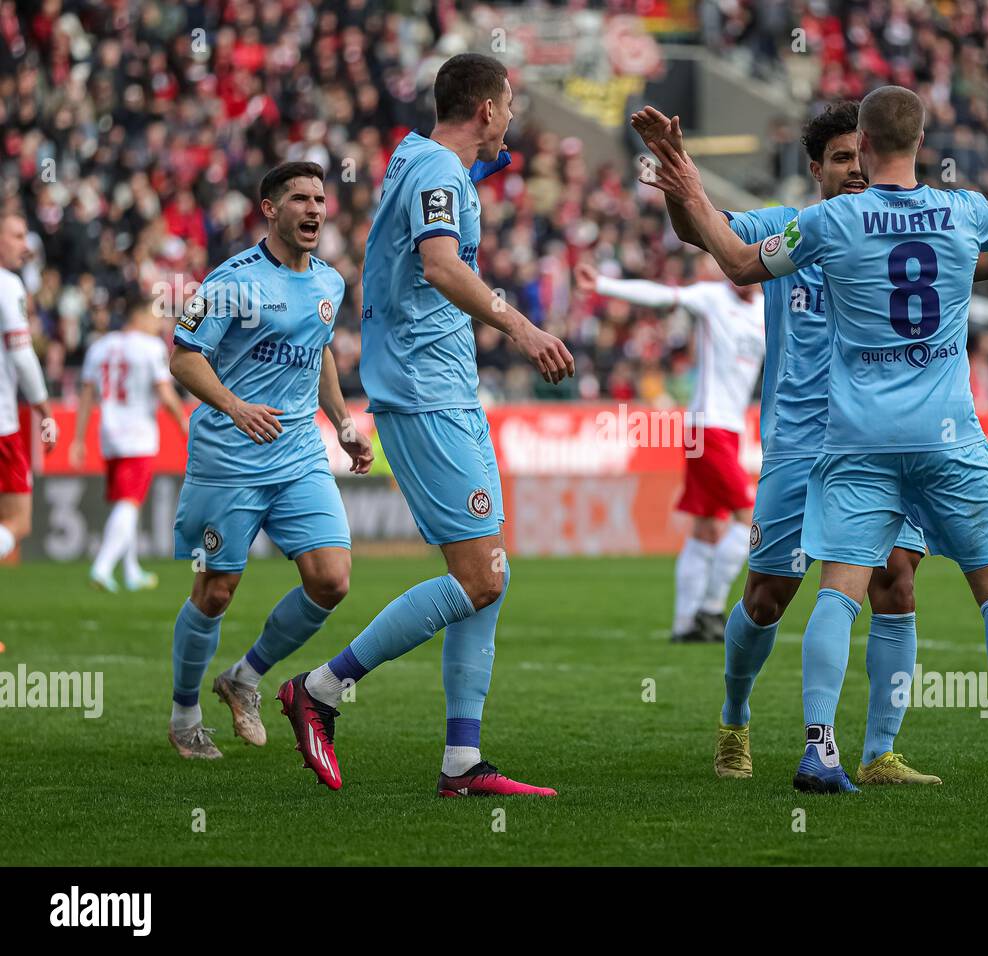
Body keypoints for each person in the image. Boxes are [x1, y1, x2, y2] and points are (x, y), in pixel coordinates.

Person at [640, 88, 988, 792]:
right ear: (817, 166)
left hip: (858, 439)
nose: (853, 167)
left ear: (873, 148)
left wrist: (688, 181)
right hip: (812, 441)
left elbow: (735, 257)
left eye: (860, 154)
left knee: (891, 582)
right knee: (768, 596)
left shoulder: (833, 227)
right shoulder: (810, 221)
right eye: (839, 159)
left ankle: (870, 751)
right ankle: (736, 715)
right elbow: (705, 235)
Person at [279, 53, 574, 797]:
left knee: (490, 579)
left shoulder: (424, 163)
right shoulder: (437, 172)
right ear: (483, 110)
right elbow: (441, 265)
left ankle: (462, 763)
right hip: (424, 392)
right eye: (506, 105)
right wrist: (521, 328)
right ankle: (319, 688)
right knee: (480, 577)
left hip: (446, 389)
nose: (511, 117)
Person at [166, 161, 372, 760]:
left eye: (319, 199)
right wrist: (234, 406)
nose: (314, 210)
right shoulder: (231, 281)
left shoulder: (330, 282)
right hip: (227, 460)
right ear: (270, 209)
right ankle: (184, 714)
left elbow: (320, 350)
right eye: (300, 199)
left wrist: (342, 422)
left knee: (331, 579)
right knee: (216, 592)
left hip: (299, 456)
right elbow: (182, 357)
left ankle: (245, 678)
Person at [575, 259, 763, 643]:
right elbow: (663, 295)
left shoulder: (768, 308)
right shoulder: (712, 297)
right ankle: (710, 609)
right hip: (707, 426)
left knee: (708, 527)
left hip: (729, 429)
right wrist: (605, 285)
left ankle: (683, 625)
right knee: (751, 519)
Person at [70, 299, 189, 592]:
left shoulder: (100, 346)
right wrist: (185, 424)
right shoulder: (150, 348)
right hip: (138, 435)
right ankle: (102, 566)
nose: (159, 325)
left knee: (127, 502)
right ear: (140, 317)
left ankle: (132, 571)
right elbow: (165, 392)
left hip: (108, 434)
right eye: (155, 318)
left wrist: (78, 437)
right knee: (129, 503)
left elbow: (86, 394)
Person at [0, 213, 56, 563]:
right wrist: (46, 411)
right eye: (18, 236)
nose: (26, 246)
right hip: (2, 425)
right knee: (19, 522)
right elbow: (22, 355)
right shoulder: (7, 284)